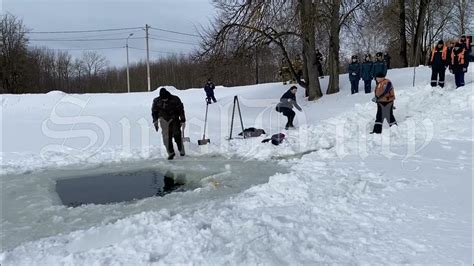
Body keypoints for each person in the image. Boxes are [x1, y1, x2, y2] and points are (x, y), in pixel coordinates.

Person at [151, 88, 186, 160]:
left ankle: (181, 150)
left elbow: (181, 110)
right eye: (163, 99)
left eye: (166, 99)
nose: (165, 100)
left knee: (177, 134)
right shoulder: (157, 101)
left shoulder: (175, 99)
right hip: (163, 120)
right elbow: (154, 112)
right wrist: (155, 121)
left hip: (174, 119)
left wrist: (183, 120)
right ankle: (171, 153)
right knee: (166, 138)